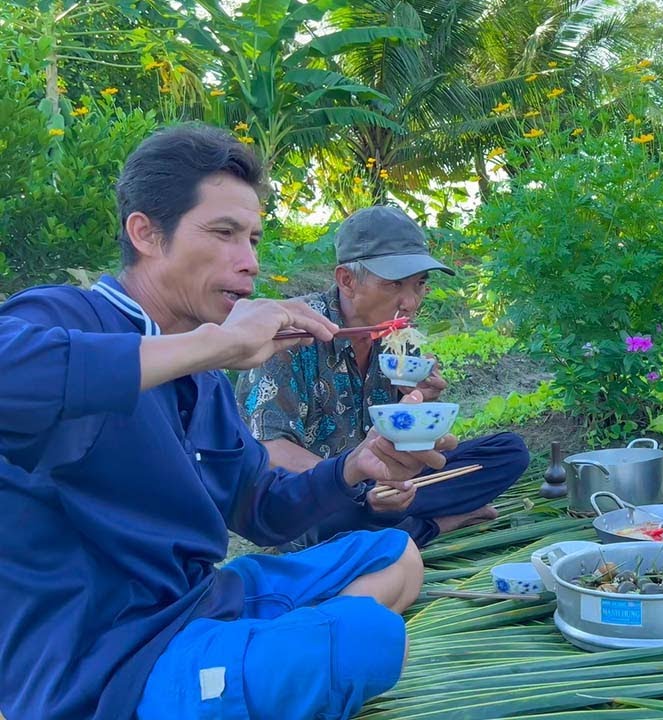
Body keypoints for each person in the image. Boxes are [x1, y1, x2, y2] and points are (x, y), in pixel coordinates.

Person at [0, 123, 453, 720]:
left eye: (255, 240)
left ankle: (250, 664)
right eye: (224, 234)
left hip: (200, 603)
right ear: (146, 234)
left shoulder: (206, 382)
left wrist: (355, 466)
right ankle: (251, 668)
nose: (250, 263)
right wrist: (215, 345)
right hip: (107, 663)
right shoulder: (73, 316)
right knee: (366, 640)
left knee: (395, 555)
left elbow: (262, 509)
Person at [236, 205, 528, 551]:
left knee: (509, 451)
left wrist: (419, 403)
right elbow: (269, 450)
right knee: (339, 517)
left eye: (419, 285)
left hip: (383, 485)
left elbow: (398, 445)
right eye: (394, 285)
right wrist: (354, 483)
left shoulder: (397, 342)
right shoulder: (292, 335)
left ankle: (396, 527)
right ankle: (433, 526)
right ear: (347, 280)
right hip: (320, 493)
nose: (410, 302)